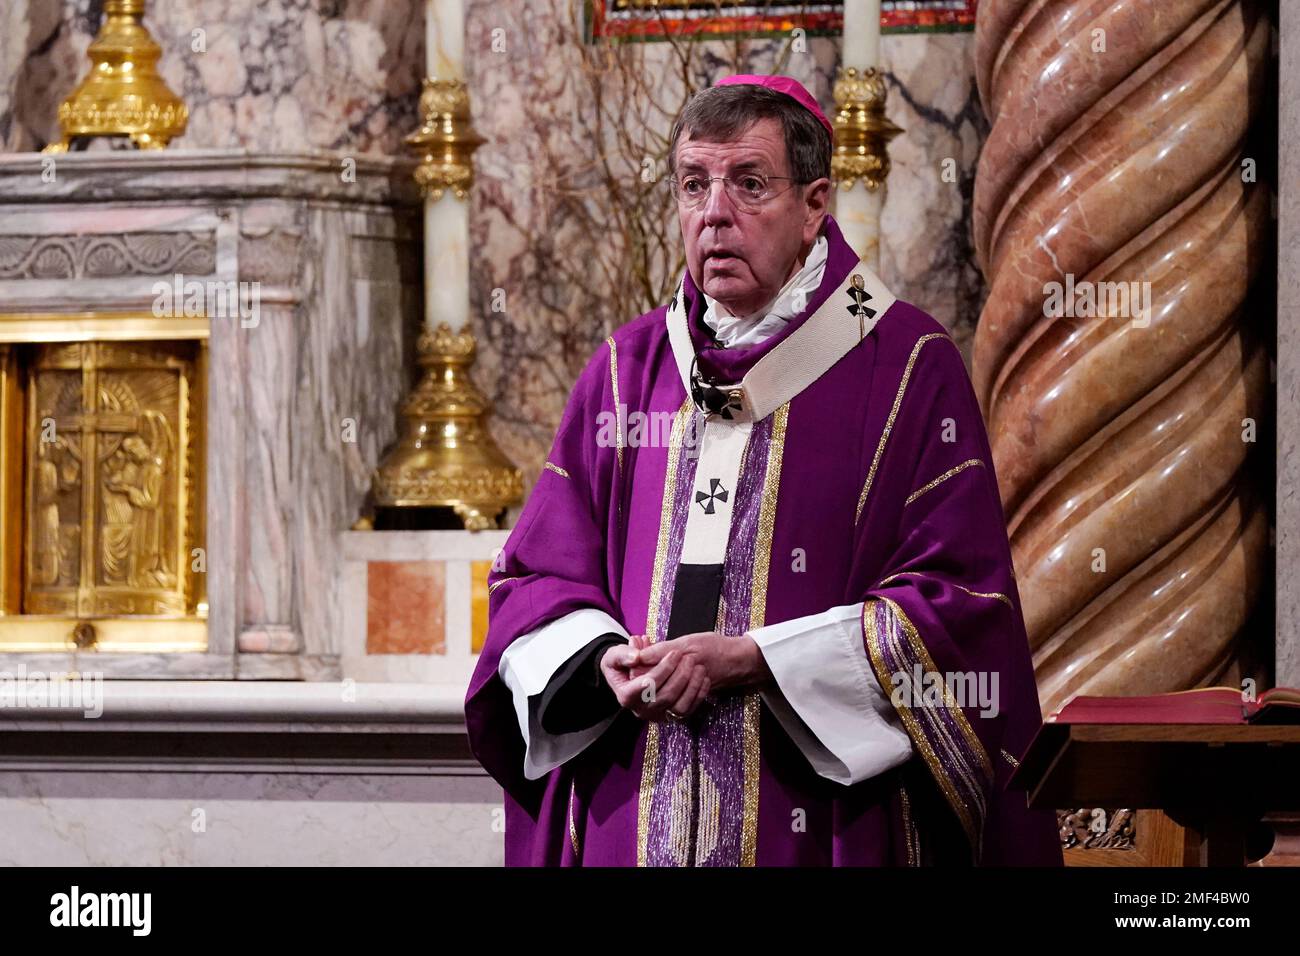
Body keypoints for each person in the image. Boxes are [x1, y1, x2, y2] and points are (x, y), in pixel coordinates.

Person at [465, 74, 1062, 866]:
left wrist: (760, 660)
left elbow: (961, 606)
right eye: (692, 185)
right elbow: (536, 578)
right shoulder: (624, 370)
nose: (714, 213)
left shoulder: (909, 368)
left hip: (818, 816)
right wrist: (597, 659)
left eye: (749, 184)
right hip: (635, 811)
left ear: (816, 205)